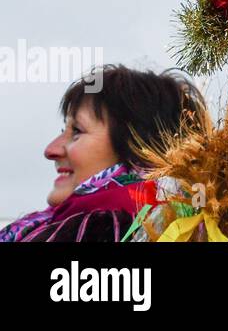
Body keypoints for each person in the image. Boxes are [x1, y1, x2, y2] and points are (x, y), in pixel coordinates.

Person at [1, 65, 207, 242]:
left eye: (77, 131)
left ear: (139, 151)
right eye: (64, 130)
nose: (50, 150)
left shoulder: (102, 230)